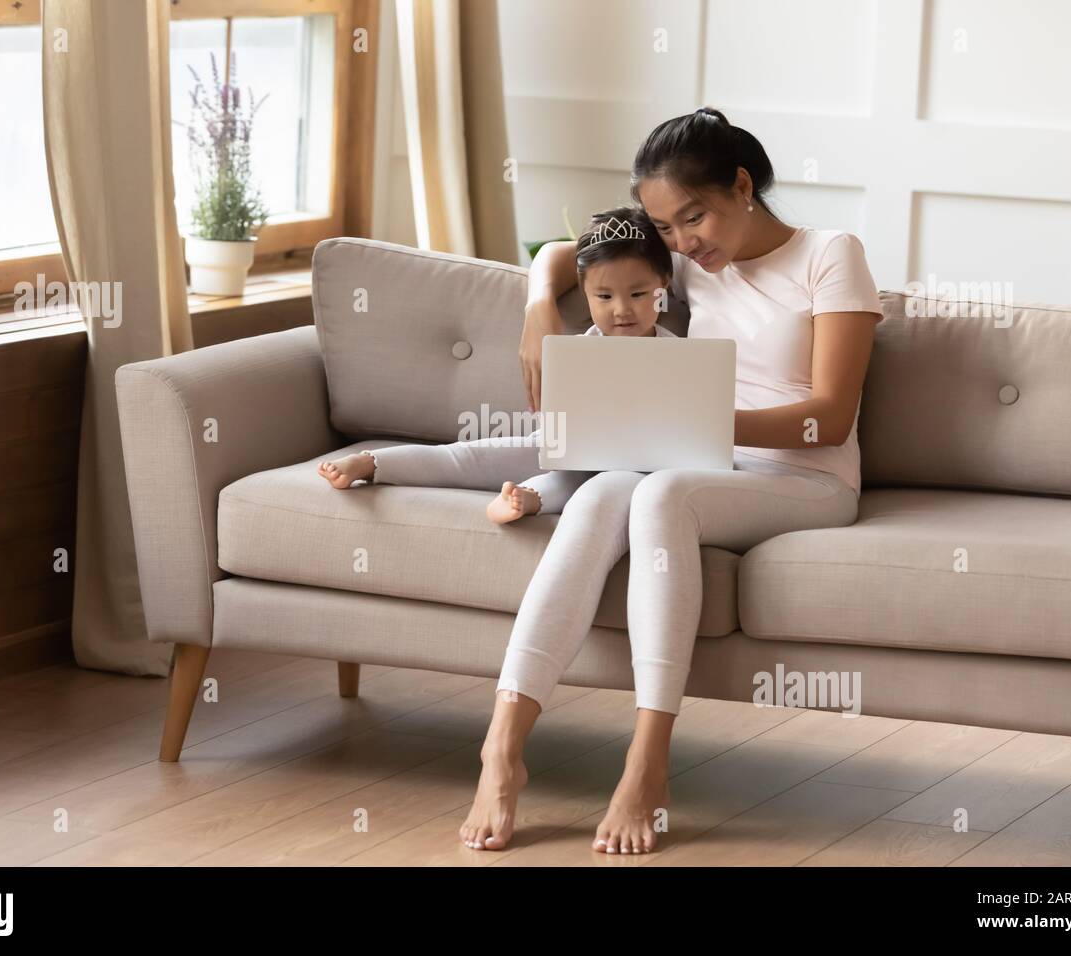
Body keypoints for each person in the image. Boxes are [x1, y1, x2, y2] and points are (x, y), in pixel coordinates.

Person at [458, 107, 885, 855]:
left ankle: (646, 764)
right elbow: (565, 254)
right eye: (668, 229)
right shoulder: (688, 261)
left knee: (656, 490)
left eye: (696, 217)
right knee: (597, 494)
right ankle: (501, 748)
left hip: (805, 477)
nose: (685, 243)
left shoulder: (830, 255)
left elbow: (831, 418)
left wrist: (697, 423)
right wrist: (534, 308)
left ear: (743, 185)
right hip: (703, 463)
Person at [316, 206, 680, 524]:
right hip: (568, 450)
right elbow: (551, 420)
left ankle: (524, 501)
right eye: (604, 296)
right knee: (472, 455)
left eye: (638, 294)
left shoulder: (678, 353)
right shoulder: (580, 351)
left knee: (585, 485)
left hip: (637, 469)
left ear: (663, 285)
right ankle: (374, 464)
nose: (621, 309)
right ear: (586, 292)